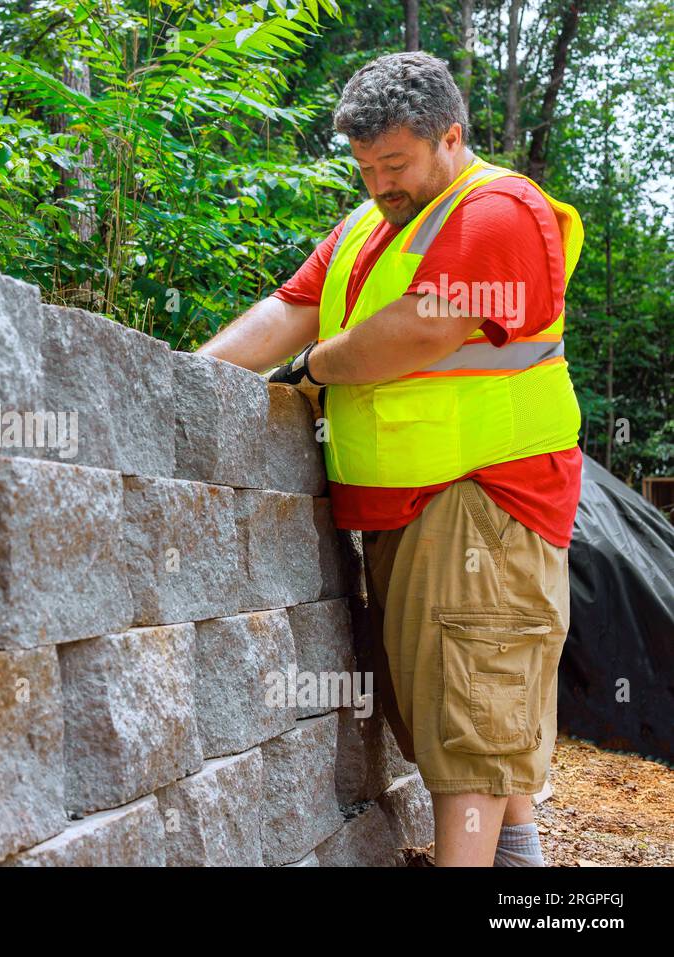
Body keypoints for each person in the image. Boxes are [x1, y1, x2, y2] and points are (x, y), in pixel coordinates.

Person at [198, 51, 585, 867]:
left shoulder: (500, 211)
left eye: (396, 163)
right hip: (412, 509)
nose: (380, 182)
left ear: (451, 137)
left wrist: (315, 370)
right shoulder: (369, 229)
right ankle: (519, 867)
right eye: (366, 165)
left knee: (470, 720)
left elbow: (425, 324)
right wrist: (183, 376)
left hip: (483, 502)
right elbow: (288, 308)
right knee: (465, 706)